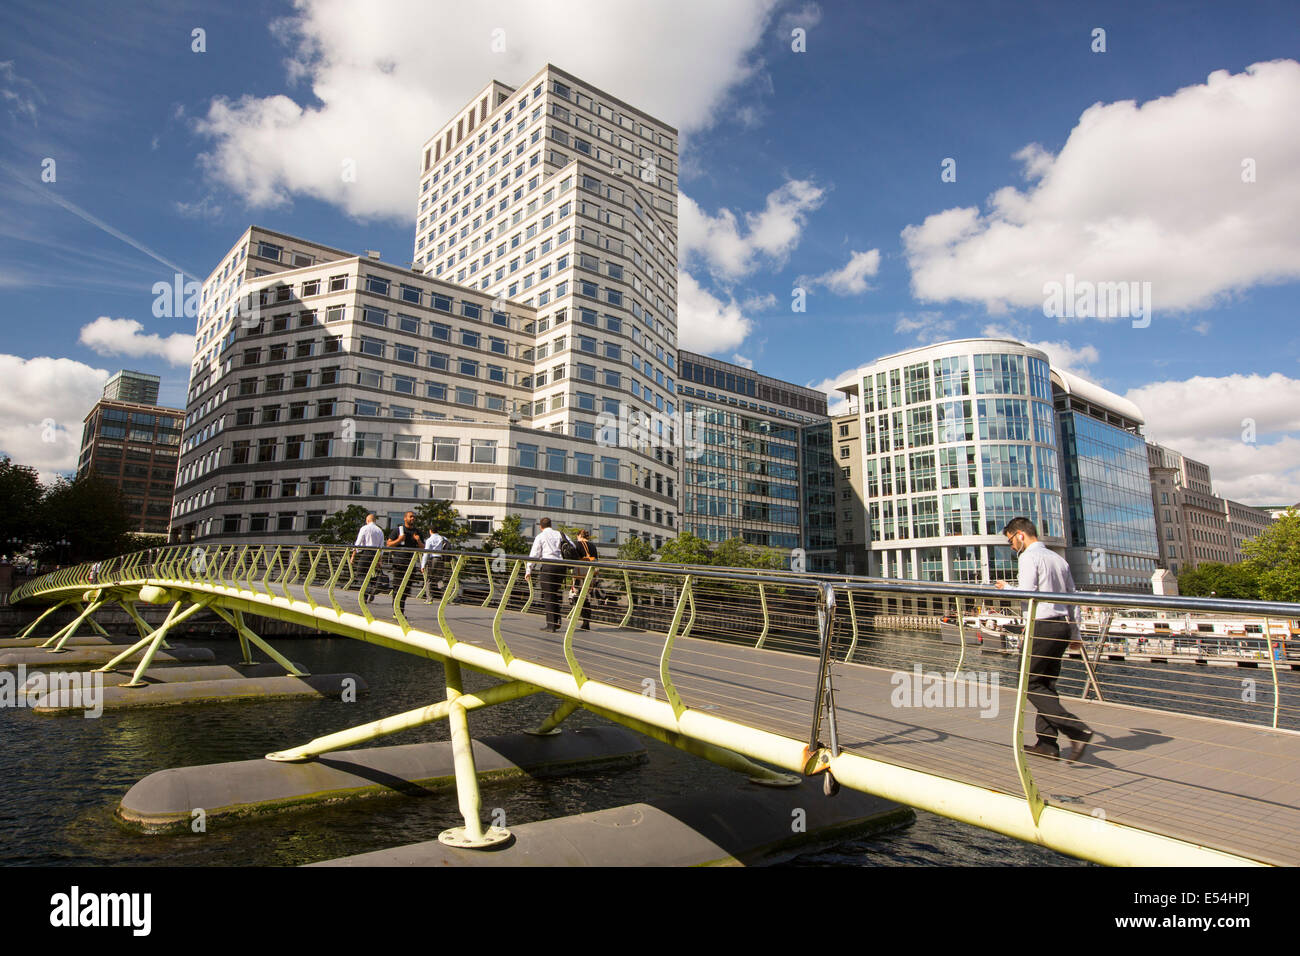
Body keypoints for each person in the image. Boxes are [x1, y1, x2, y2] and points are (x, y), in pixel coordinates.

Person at [996, 517, 1094, 762]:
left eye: (1010, 540)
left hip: (1042, 626)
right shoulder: (1058, 559)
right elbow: (1073, 598)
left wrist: (1006, 589)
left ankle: (1076, 730)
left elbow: (1028, 594)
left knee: (1027, 682)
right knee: (1046, 686)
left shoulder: (1029, 557)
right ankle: (1047, 744)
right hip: (1061, 627)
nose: (1011, 547)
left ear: (1020, 535)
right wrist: (1075, 633)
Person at [525, 517, 564, 632]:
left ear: (540, 526)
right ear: (551, 525)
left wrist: (529, 570)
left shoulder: (540, 536)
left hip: (548, 567)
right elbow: (571, 546)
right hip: (561, 566)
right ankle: (556, 621)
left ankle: (551, 625)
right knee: (555, 593)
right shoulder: (560, 534)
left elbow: (534, 554)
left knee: (548, 595)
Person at [387, 511, 424, 616]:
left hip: (411, 564)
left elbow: (423, 547)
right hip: (399, 563)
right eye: (410, 516)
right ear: (405, 518)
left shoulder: (417, 532)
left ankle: (400, 610)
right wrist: (399, 540)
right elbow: (388, 544)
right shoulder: (398, 530)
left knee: (407, 589)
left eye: (414, 517)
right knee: (398, 587)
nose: (413, 518)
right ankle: (397, 611)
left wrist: (418, 541)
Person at [568, 528, 600, 630]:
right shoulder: (593, 546)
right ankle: (586, 622)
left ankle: (582, 619)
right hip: (590, 576)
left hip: (579, 575)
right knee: (586, 597)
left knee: (575, 596)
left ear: (579, 536)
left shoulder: (577, 544)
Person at [352, 513, 386, 600]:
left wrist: (353, 556)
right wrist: (379, 561)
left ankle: (370, 588)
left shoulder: (364, 528)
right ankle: (367, 594)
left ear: (367, 520)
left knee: (360, 573)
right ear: (375, 520)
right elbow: (381, 548)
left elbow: (358, 543)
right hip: (375, 555)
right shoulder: (380, 531)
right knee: (369, 574)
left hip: (366, 553)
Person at [421, 527, 448, 603]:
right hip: (440, 559)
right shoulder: (442, 538)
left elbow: (426, 553)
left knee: (429, 579)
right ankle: (445, 598)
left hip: (432, 559)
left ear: (430, 531)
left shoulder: (429, 540)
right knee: (439, 579)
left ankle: (429, 598)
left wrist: (423, 565)